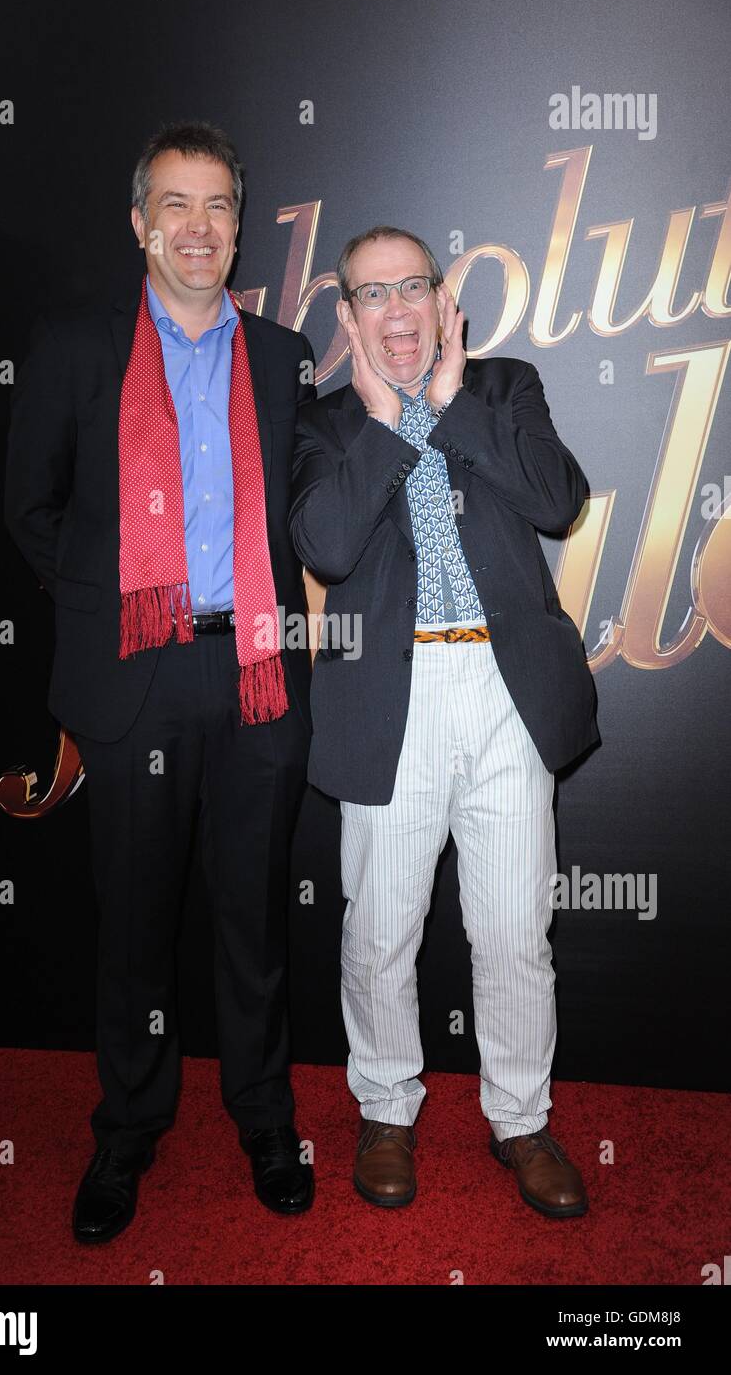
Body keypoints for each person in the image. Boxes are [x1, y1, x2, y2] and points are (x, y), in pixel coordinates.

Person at [5, 121, 316, 1243]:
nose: (198, 226)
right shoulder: (77, 342)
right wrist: (110, 601)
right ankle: (127, 1128)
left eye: (219, 205)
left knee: (253, 919)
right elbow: (27, 508)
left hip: (254, 675)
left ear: (240, 227)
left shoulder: (282, 357)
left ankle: (265, 1118)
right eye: (175, 204)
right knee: (133, 924)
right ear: (139, 222)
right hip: (135, 672)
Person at [289, 225, 599, 1217]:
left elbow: (557, 502)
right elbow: (326, 547)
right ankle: (385, 1109)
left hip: (504, 693)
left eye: (410, 288)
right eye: (370, 295)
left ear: (440, 301)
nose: (394, 311)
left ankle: (520, 1119)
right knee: (379, 927)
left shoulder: (503, 389)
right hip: (392, 696)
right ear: (345, 316)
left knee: (513, 931)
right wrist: (386, 424)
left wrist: (449, 405)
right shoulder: (328, 424)